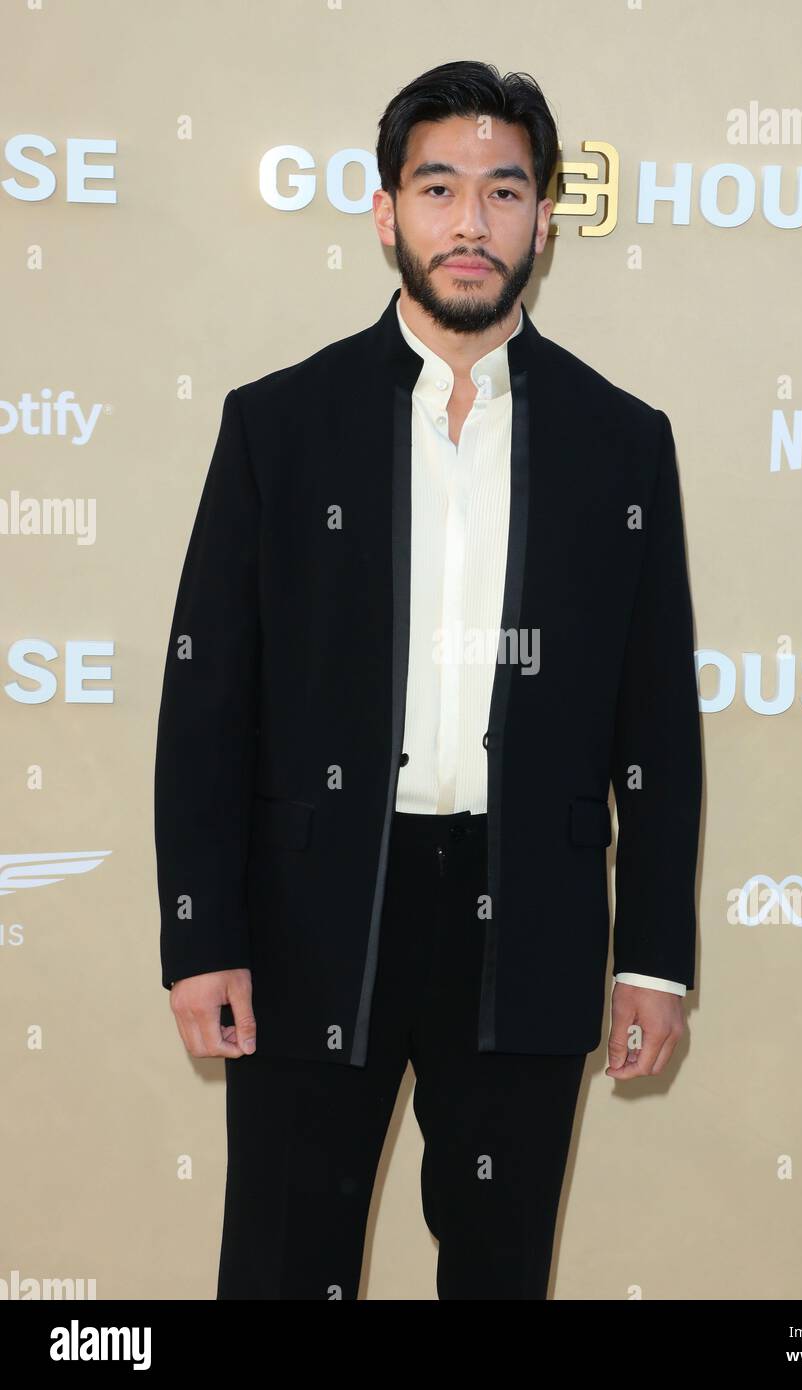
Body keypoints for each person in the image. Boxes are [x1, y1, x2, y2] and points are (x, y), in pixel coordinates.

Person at [154, 59, 703, 1300]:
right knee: (284, 1270)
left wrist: (654, 957)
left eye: (502, 191)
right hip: (312, 916)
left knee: (499, 1276)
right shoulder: (277, 426)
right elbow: (206, 702)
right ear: (384, 207)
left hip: (528, 918)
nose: (470, 222)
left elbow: (654, 723)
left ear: (545, 217)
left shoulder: (621, 441)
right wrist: (201, 934)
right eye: (438, 185)